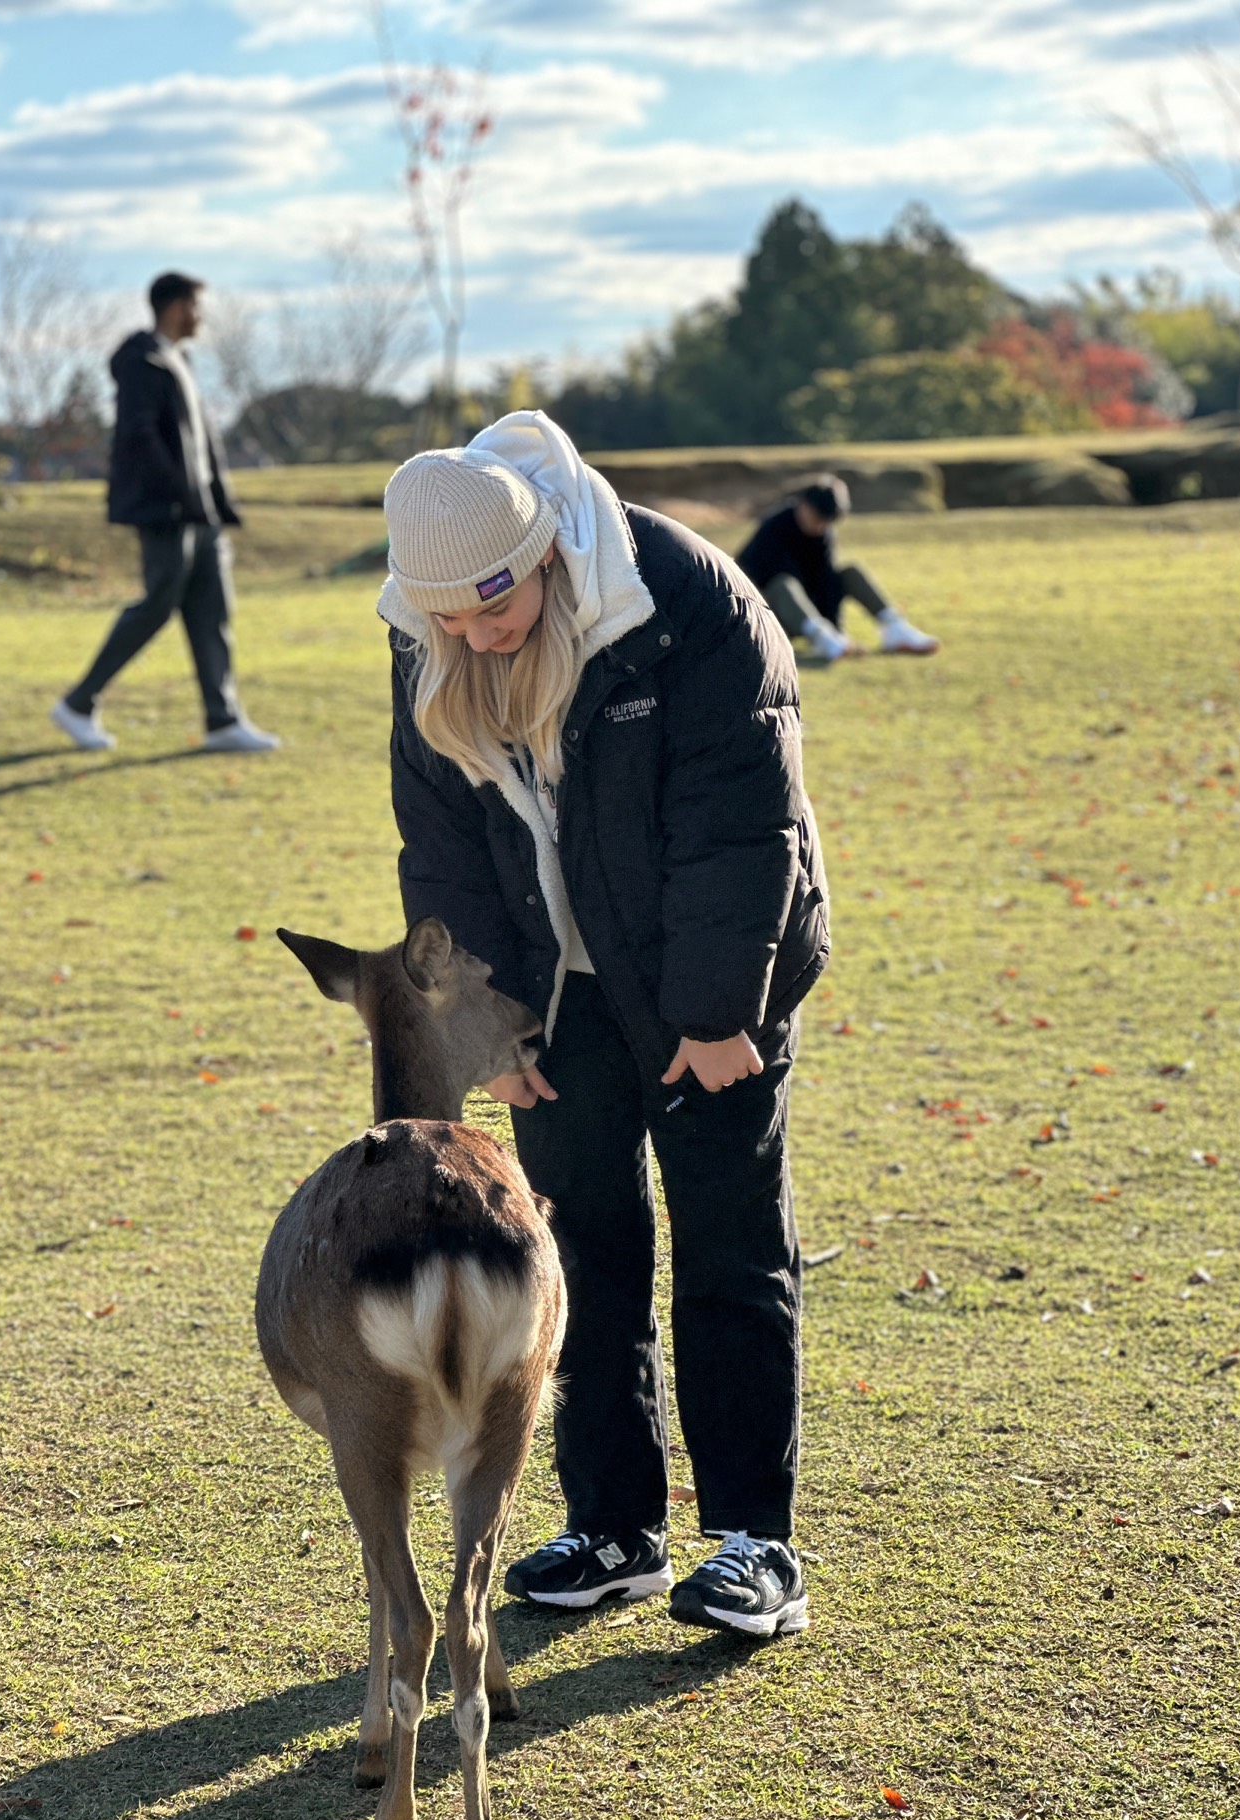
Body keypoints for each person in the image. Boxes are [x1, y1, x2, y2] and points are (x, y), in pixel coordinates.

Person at [381, 410, 830, 1639]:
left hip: (710, 986)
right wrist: (485, 1023)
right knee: (579, 1250)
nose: (473, 639)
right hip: (559, 995)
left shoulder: (685, 599)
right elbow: (447, 849)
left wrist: (717, 1011)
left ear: (539, 557)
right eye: (449, 624)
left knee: (731, 1245)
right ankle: (616, 1525)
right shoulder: (427, 629)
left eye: (493, 611)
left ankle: (756, 1542)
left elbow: (742, 822)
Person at [51, 271, 277, 754]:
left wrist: (215, 502)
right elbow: (139, 436)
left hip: (200, 514)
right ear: (174, 307)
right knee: (157, 605)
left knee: (212, 610)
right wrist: (177, 494)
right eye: (196, 305)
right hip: (167, 511)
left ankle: (223, 719)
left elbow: (201, 444)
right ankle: (78, 702)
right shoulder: (141, 360)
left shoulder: (180, 360)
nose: (201, 315)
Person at [736, 473, 938, 664]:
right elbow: (747, 582)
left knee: (850, 572)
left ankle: (894, 627)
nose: (821, 527)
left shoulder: (822, 533)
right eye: (818, 518)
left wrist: (836, 629)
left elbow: (825, 579)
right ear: (804, 506)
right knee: (784, 584)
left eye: (827, 521)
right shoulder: (773, 528)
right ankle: (823, 639)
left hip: (810, 611)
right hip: (770, 617)